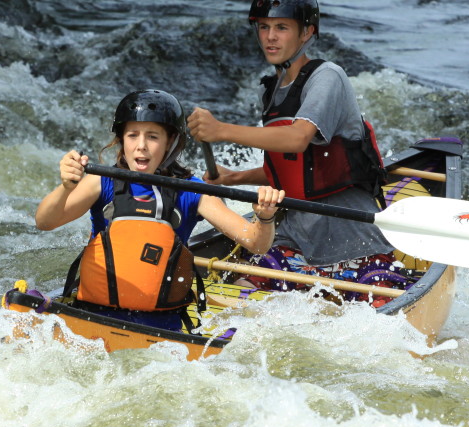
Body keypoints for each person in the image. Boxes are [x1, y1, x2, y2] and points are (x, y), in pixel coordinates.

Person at [187, 0, 411, 305]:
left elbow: (297, 137)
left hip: (356, 243)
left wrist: (221, 130)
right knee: (238, 293)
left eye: (281, 28)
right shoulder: (270, 91)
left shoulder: (327, 77)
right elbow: (291, 168)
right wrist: (233, 178)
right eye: (263, 27)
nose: (270, 37)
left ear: (306, 33)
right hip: (296, 241)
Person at [36, 89, 285, 331]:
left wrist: (265, 215)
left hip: (162, 328)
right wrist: (65, 187)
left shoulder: (192, 191)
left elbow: (256, 243)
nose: (141, 145)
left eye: (153, 137)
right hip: (94, 316)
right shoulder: (102, 181)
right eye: (133, 135)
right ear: (122, 140)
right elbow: (45, 222)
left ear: (170, 144)